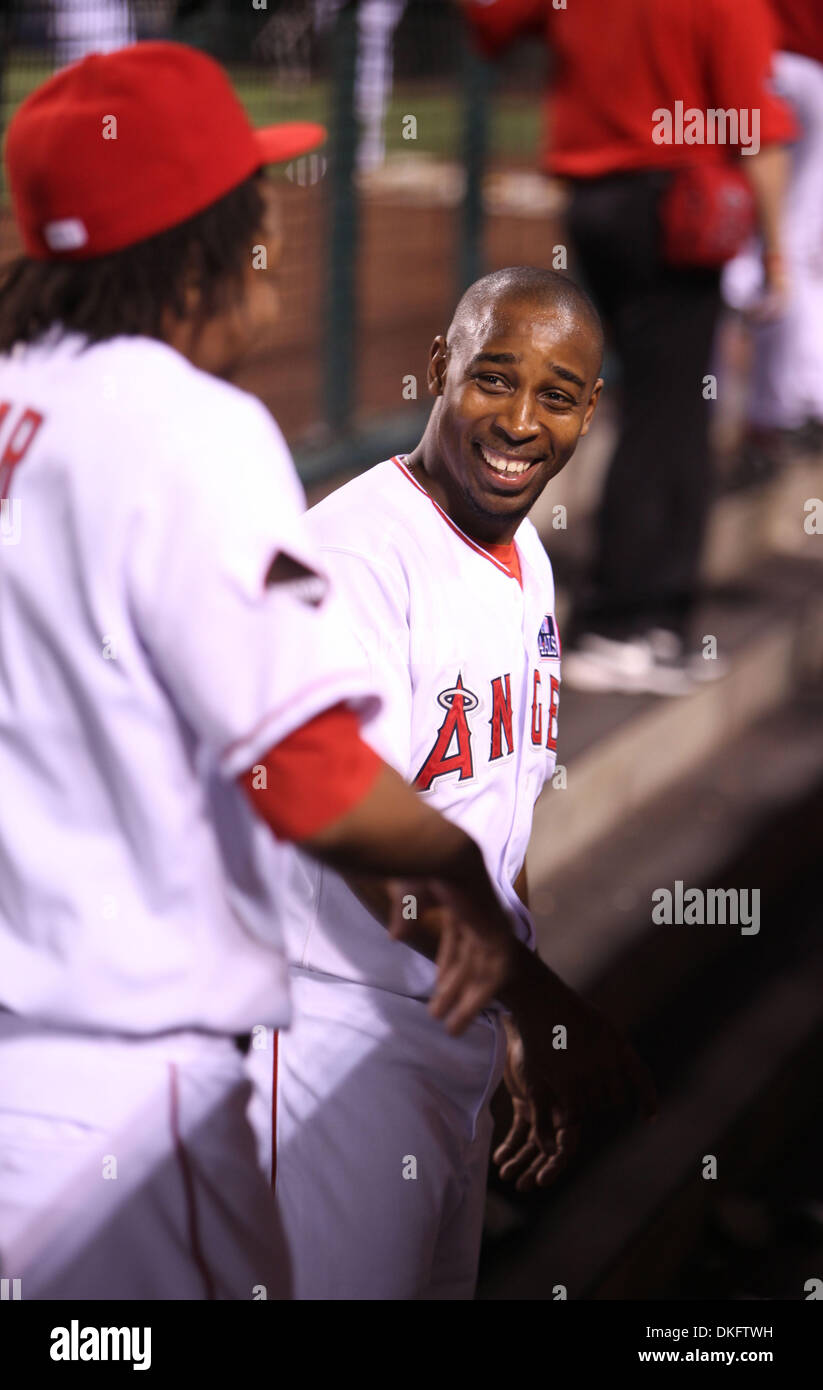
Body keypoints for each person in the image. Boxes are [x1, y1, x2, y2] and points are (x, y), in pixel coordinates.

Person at [0, 42, 528, 1301]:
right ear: (195, 247)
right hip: (122, 1104)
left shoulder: (23, 400)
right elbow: (305, 773)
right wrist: (455, 869)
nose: (275, 244)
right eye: (256, 212)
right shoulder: (190, 426)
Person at [247, 266, 657, 1301]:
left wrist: (504, 1007)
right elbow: (378, 858)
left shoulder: (523, 554)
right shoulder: (353, 561)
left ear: (588, 410)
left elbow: (489, 816)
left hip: (441, 1034)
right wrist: (544, 1005)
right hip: (330, 1049)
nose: (518, 422)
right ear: (439, 369)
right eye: (492, 380)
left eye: (555, 397)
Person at [461, 0, 794, 695]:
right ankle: (621, 622)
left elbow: (490, 22)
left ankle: (639, 618)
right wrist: (778, 255)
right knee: (668, 415)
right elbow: (754, 129)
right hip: (671, 206)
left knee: (653, 405)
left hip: (594, 206)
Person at [723, 0, 823, 481]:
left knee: (748, 249)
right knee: (795, 249)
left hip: (758, 68)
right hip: (813, 76)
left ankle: (770, 414)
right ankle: (797, 404)